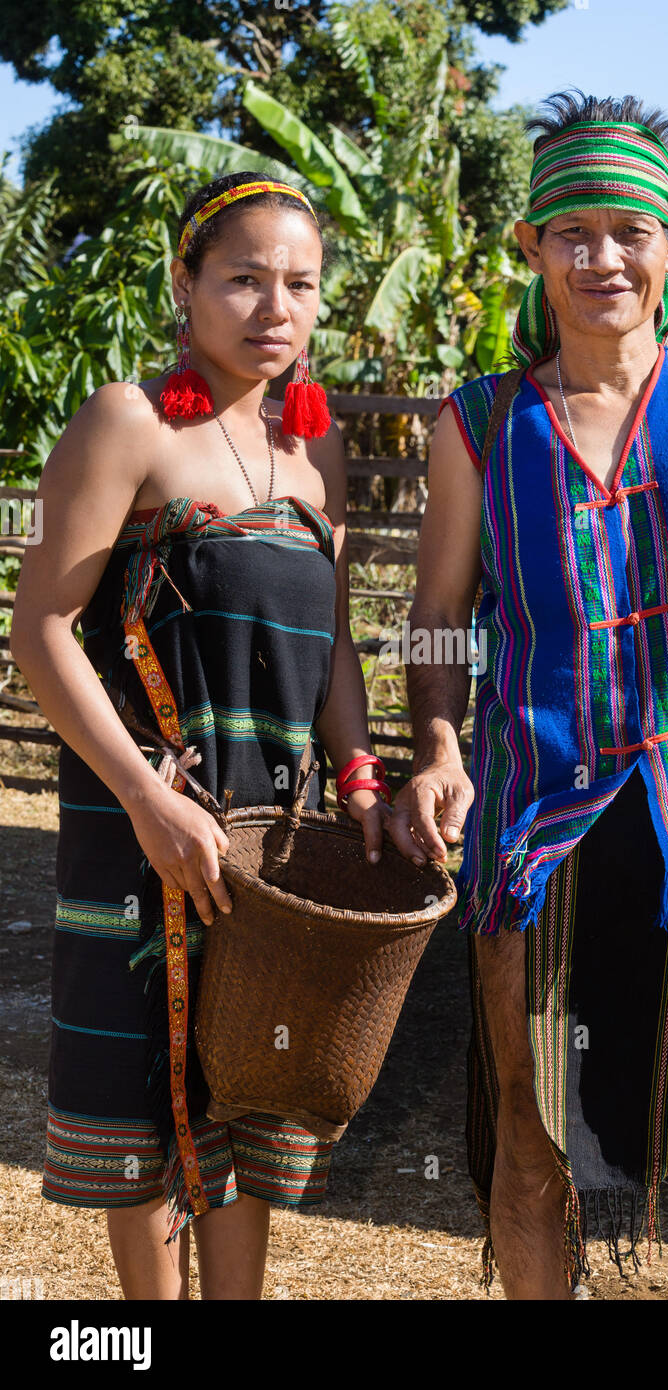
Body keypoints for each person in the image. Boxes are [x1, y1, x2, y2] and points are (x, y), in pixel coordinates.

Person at [388, 91, 668, 1299]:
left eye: (628, 229)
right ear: (530, 248)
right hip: (533, 818)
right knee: (530, 1146)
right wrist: (433, 743)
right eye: (569, 230)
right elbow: (435, 618)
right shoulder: (479, 423)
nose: (600, 258)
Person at [11, 173, 405, 1300]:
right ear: (184, 285)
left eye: (299, 285)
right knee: (142, 1081)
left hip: (267, 831)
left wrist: (362, 778)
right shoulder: (126, 421)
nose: (272, 308)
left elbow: (332, 648)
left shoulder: (309, 454)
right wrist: (146, 798)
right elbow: (38, 629)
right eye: (241, 278)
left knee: (249, 1075)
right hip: (143, 814)